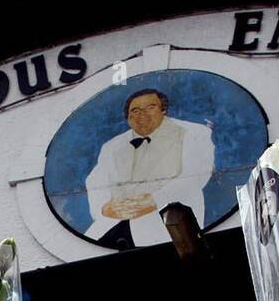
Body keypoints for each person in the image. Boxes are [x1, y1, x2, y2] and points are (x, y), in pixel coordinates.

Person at [84, 88, 215, 249]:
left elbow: (195, 175)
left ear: (163, 110)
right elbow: (95, 181)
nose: (142, 115)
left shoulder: (194, 133)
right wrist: (105, 207)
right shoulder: (111, 146)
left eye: (150, 107)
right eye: (135, 111)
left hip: (170, 225)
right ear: (128, 118)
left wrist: (153, 200)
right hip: (114, 227)